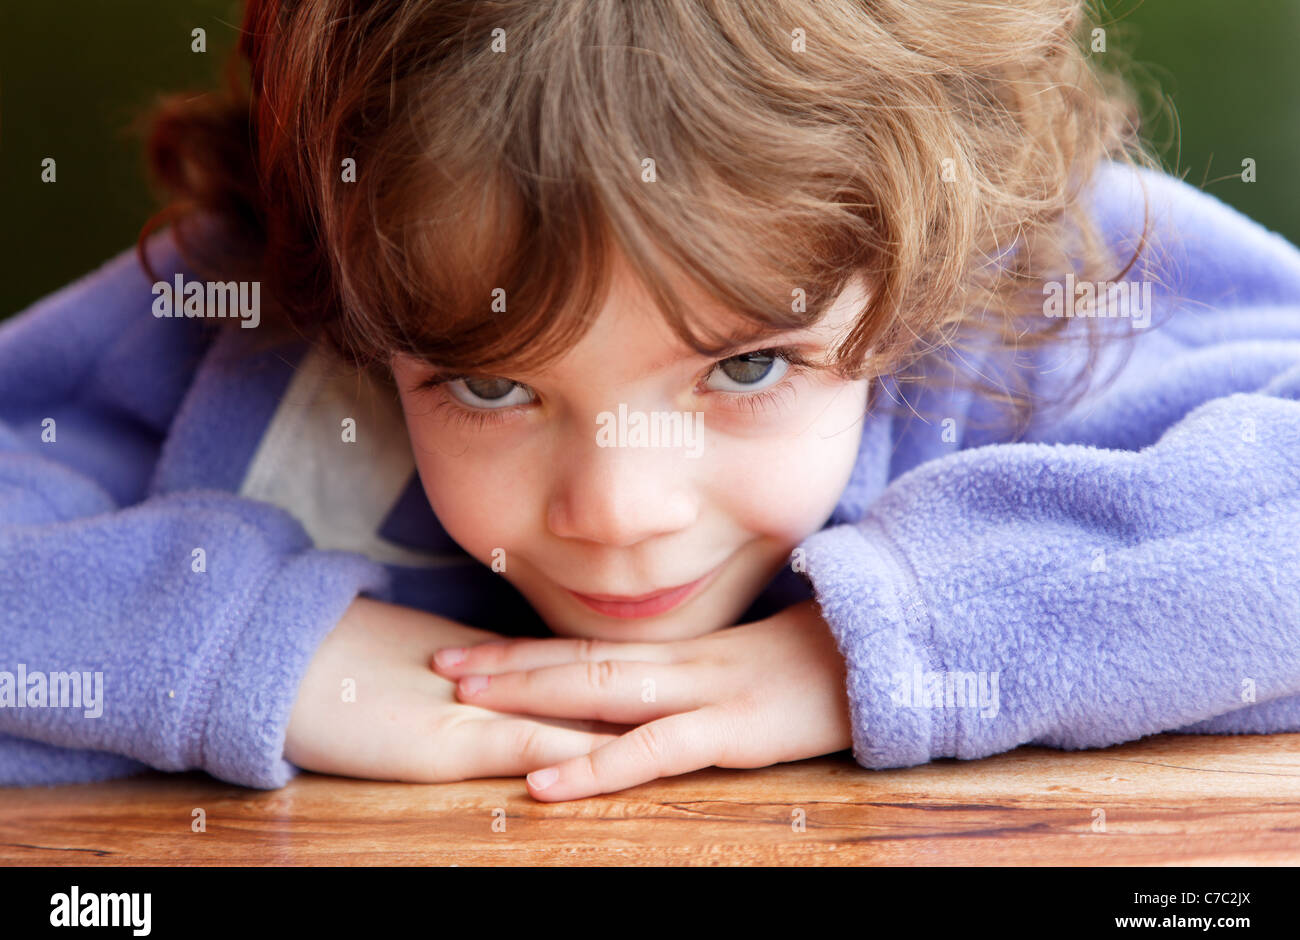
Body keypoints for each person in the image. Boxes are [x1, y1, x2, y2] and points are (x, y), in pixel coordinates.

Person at [3, 0, 1299, 802]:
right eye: (490, 383)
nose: (617, 511)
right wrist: (241, 648)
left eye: (746, 368)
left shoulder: (1024, 273)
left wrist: (879, 651)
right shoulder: (285, 294)